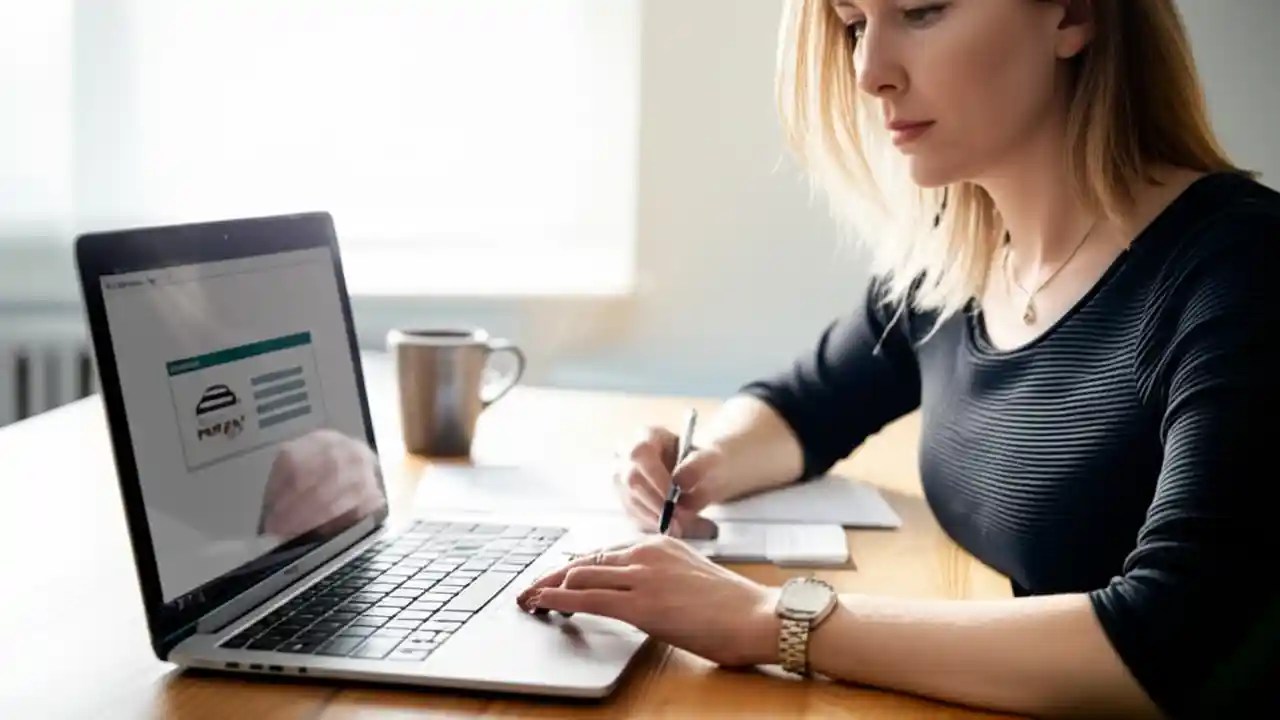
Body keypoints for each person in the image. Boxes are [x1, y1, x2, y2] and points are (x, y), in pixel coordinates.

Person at [515, 0, 1279, 717]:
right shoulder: (959, 255)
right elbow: (806, 404)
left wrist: (767, 619)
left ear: (1073, 14)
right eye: (854, 22)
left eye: (920, 10)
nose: (868, 70)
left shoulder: (1242, 269)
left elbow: (1174, 643)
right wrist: (699, 464)